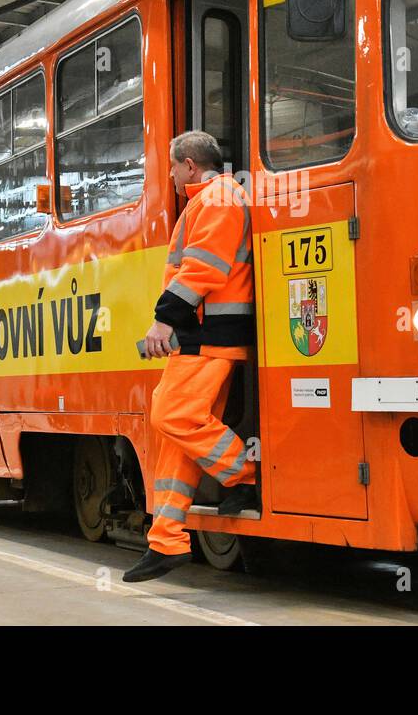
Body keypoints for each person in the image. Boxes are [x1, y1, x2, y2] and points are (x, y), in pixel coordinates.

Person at [123, 130, 258, 583]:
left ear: (189, 165)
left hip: (209, 336)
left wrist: (165, 319)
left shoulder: (218, 198)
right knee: (177, 441)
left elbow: (204, 268)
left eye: (174, 169)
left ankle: (245, 475)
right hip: (200, 336)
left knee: (172, 415)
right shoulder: (207, 201)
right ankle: (166, 540)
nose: (173, 178)